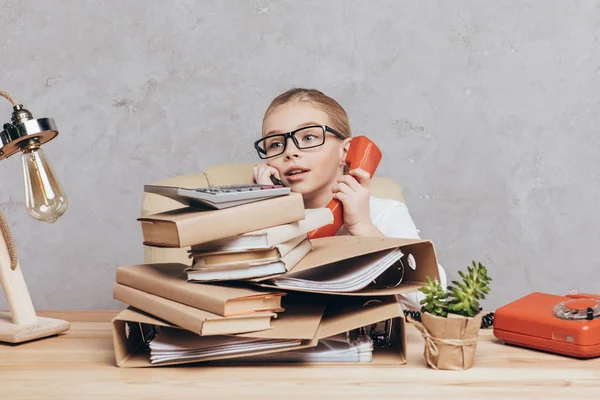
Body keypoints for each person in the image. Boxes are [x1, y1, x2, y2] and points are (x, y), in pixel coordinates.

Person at [252, 88, 446, 309]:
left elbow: (431, 301)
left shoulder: (385, 214)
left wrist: (362, 227)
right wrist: (265, 211)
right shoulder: (264, 218)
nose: (290, 152)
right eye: (276, 144)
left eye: (308, 137)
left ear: (345, 152)